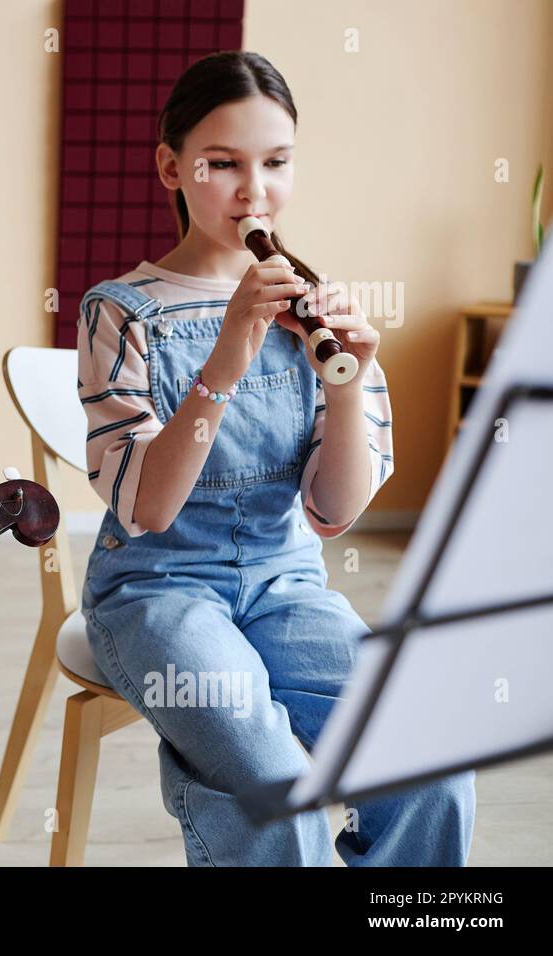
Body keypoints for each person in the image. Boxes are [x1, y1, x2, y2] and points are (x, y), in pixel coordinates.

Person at [77, 52, 474, 866]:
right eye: (221, 164)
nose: (253, 192)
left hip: (286, 581)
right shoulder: (119, 312)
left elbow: (334, 514)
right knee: (271, 779)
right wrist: (228, 354)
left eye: (276, 163)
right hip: (158, 591)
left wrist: (347, 382)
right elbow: (148, 511)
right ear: (171, 167)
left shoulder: (313, 304)